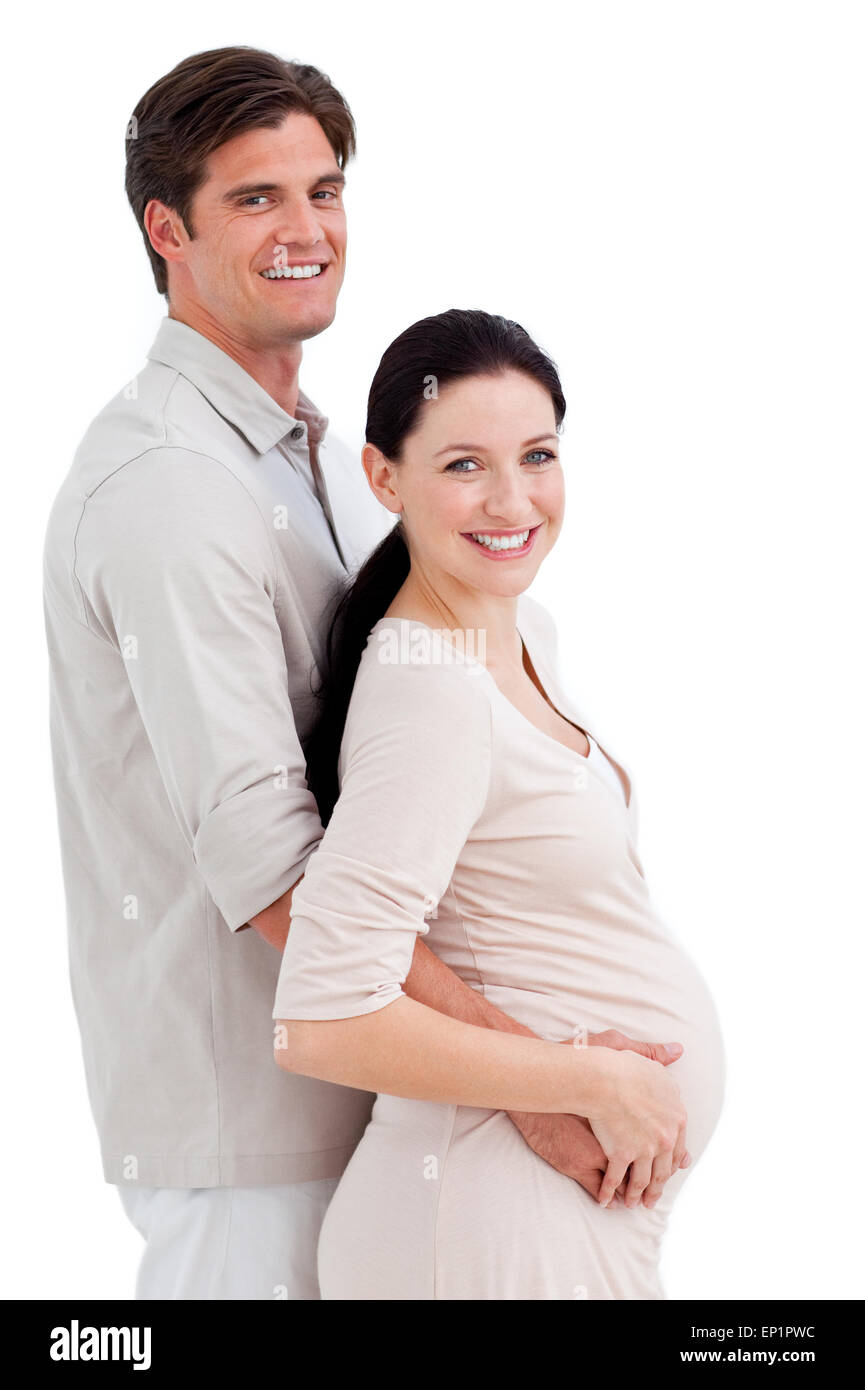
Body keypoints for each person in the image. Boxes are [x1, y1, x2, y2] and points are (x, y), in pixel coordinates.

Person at [43, 45, 690, 1302]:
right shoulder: (171, 488)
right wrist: (547, 1078)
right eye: (256, 199)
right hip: (261, 1131)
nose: (306, 230)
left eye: (324, 190)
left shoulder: (319, 459)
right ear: (163, 228)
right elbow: (274, 859)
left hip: (388, 1103)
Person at [273, 308, 727, 1300]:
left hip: (545, 1214)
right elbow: (319, 1019)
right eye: (463, 465)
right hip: (481, 1220)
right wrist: (584, 1079)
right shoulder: (430, 689)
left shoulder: (526, 633)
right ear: (383, 478)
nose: (513, 498)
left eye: (536, 454)